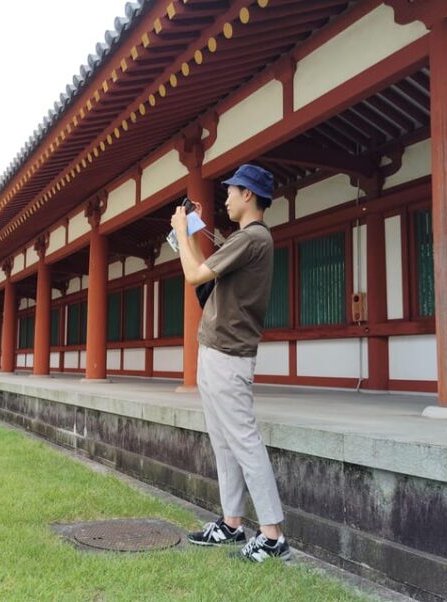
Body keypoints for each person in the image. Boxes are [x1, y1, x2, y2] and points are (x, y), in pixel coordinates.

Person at [170, 163, 290, 563]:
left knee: (243, 441)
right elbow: (206, 277)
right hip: (218, 351)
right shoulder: (246, 240)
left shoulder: (252, 238)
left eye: (231, 190)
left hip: (228, 355)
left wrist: (183, 228)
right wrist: (188, 231)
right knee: (223, 442)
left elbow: (193, 274)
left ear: (248, 196)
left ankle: (272, 536)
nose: (226, 197)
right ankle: (232, 523)